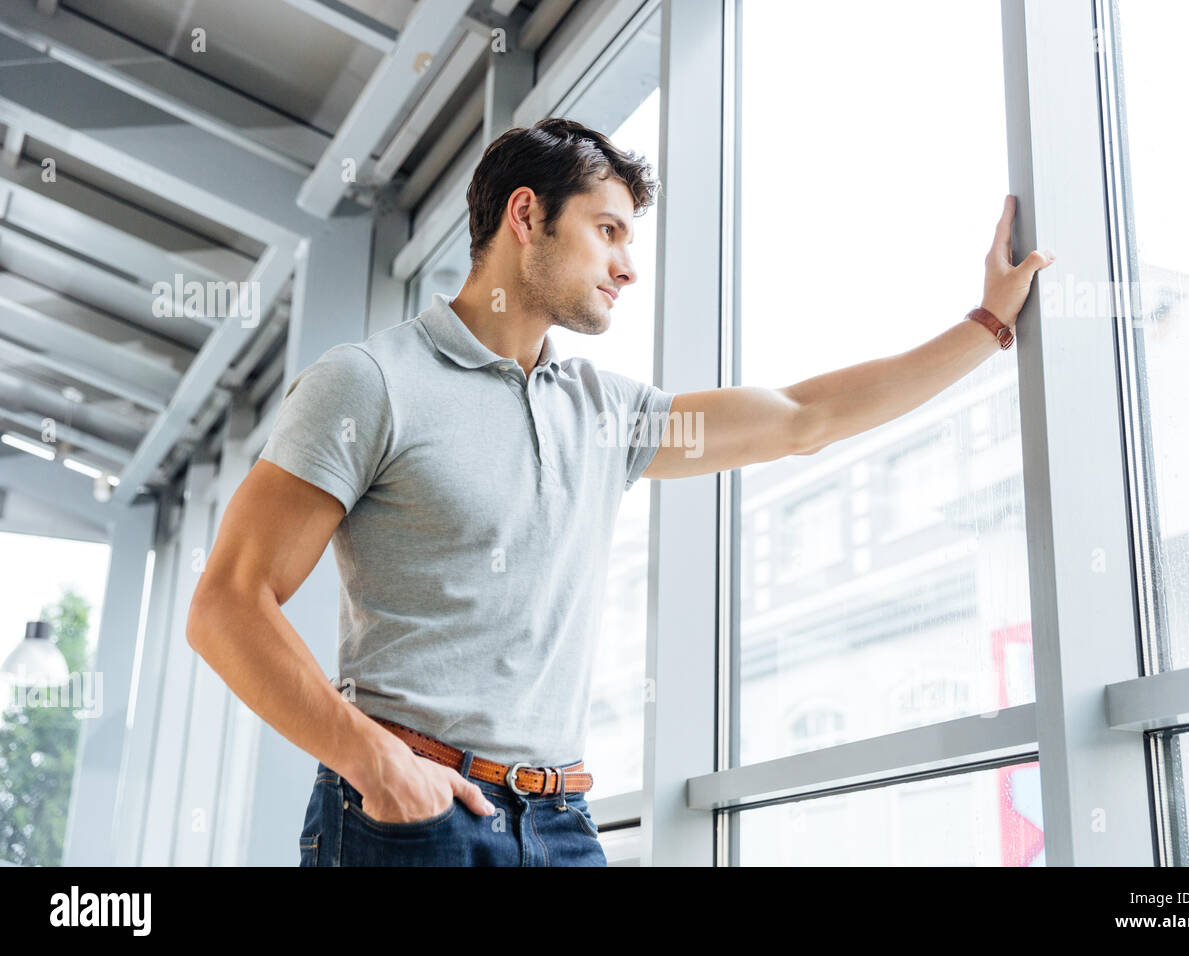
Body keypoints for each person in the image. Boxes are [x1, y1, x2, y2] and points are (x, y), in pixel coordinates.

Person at [187, 116, 1054, 867]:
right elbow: (227, 605)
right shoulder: (371, 382)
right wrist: (378, 768)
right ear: (526, 216)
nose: (627, 266)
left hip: (562, 820)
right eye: (607, 231)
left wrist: (983, 329)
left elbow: (801, 418)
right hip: (412, 815)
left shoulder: (606, 413)